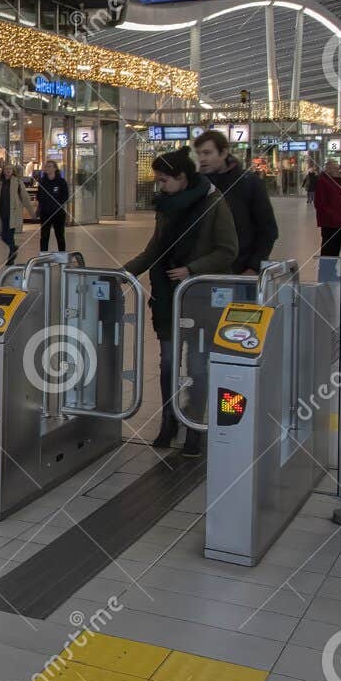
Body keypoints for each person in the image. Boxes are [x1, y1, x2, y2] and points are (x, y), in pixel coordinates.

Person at [123, 149, 239, 456]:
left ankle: (195, 427)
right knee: (168, 362)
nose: (160, 186)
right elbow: (154, 250)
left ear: (182, 177)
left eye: (164, 180)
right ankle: (170, 419)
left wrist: (193, 269)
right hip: (167, 297)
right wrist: (124, 273)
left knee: (198, 365)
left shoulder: (214, 203)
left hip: (201, 296)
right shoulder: (165, 207)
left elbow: (228, 250)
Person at [192, 130, 278, 276]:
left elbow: (267, 230)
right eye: (199, 153)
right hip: (201, 272)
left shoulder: (249, 183)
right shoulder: (196, 185)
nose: (202, 158)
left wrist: (253, 267)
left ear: (224, 153)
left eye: (207, 153)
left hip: (240, 270)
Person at [0, 161, 30, 266]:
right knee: (3, 236)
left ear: (12, 171)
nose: (8, 171)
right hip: (2, 212)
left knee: (9, 235)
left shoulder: (17, 182)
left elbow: (25, 197)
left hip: (12, 213)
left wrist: (31, 212)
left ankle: (11, 257)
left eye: (10, 169)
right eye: (6, 169)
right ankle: (13, 248)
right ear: (3, 171)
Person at [314, 159, 341, 258]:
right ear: (328, 169)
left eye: (338, 168)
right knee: (329, 247)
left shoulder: (335, 181)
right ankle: (326, 269)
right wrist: (332, 214)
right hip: (329, 221)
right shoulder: (323, 181)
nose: (338, 170)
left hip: (337, 220)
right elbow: (319, 203)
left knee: (336, 247)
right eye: (335, 168)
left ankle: (332, 269)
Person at [34, 160, 70, 251]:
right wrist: (41, 206)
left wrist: (57, 205)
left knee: (60, 235)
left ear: (55, 168)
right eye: (46, 166)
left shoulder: (61, 182)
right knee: (44, 236)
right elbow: (39, 196)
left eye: (50, 166)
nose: (48, 168)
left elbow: (65, 196)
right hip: (45, 213)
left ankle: (62, 255)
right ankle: (43, 256)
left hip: (58, 213)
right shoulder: (42, 182)